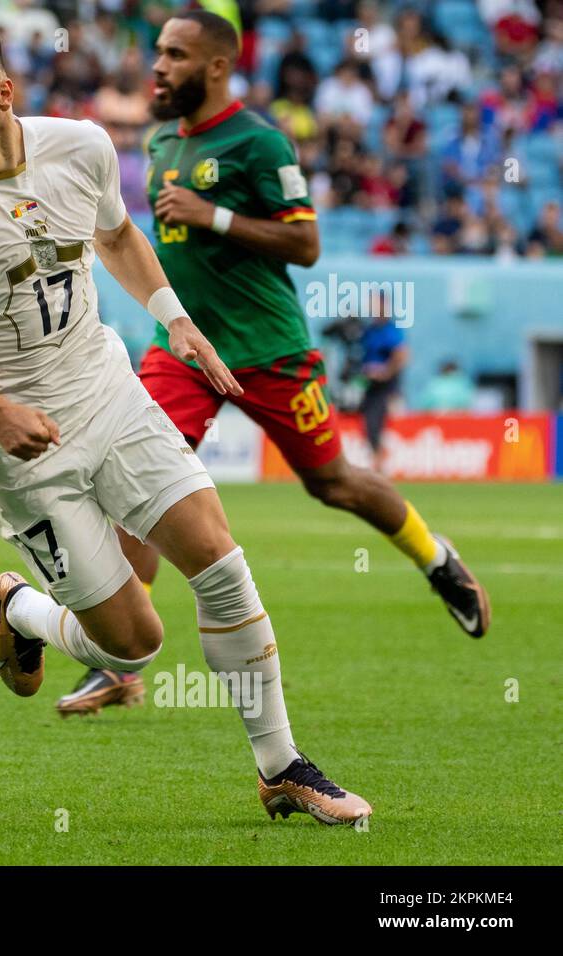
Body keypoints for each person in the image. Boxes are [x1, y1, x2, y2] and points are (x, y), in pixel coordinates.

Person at [0, 19, 371, 825]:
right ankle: (22, 609)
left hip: (105, 391)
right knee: (134, 643)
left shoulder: (83, 147)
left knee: (219, 558)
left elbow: (116, 233)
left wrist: (174, 318)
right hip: (15, 445)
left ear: (3, 94)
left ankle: (281, 767)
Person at [88, 12, 488, 724]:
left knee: (332, 483)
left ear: (215, 66)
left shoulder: (259, 141)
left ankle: (438, 562)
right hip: (181, 349)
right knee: (139, 488)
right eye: (157, 52)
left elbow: (304, 244)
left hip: (268, 348)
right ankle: (119, 662)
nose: (157, 66)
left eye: (174, 55)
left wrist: (212, 216)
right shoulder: (156, 144)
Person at [359, 307, 408, 464]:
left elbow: (402, 354)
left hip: (386, 387)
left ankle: (379, 462)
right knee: (369, 424)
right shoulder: (369, 330)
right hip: (370, 386)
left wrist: (385, 372)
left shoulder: (391, 331)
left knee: (377, 423)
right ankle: (376, 460)